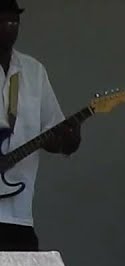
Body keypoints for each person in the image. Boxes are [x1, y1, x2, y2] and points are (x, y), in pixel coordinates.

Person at [0, 0, 80, 252]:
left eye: (15, 21)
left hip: (17, 213)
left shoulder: (34, 71)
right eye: (3, 21)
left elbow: (54, 135)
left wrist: (70, 141)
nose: (10, 27)